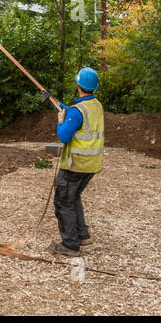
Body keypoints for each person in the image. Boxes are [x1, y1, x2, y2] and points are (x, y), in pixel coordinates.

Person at [50, 66, 104, 255]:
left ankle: (70, 244)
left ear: (78, 84)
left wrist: (59, 120)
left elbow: (64, 136)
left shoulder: (77, 111)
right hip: (91, 165)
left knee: (63, 201)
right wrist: (57, 103)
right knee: (74, 198)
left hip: (75, 165)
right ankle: (83, 236)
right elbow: (77, 115)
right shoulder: (95, 105)